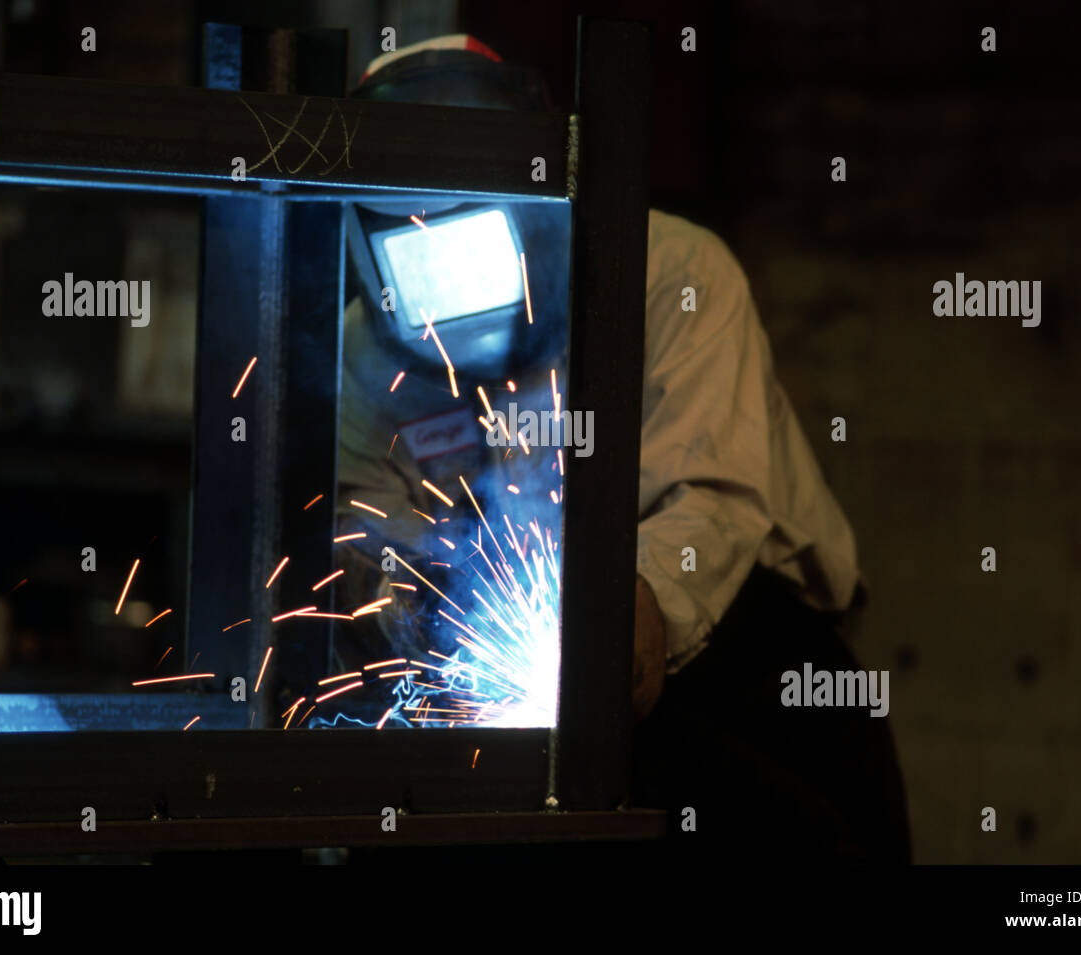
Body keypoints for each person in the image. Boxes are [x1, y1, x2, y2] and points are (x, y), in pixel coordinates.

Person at [336, 34, 911, 862]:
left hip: (744, 654)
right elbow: (360, 538)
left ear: (535, 204)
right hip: (521, 683)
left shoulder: (673, 271)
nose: (448, 296)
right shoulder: (368, 354)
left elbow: (707, 506)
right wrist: (405, 600)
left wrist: (623, 620)